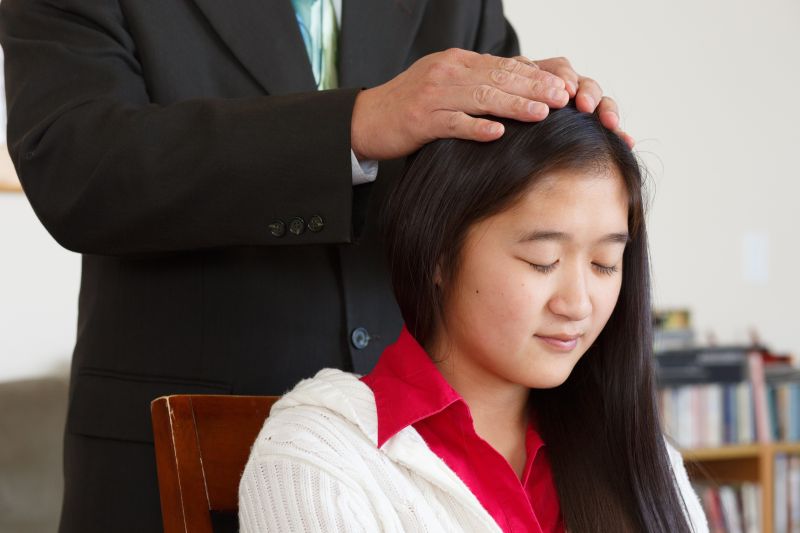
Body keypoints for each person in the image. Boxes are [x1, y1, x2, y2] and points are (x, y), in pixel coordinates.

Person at [0, 0, 631, 531]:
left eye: (606, 261)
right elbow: (75, 167)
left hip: (422, 447)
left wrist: (550, 116)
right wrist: (354, 125)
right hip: (170, 448)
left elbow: (489, 172)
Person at [238, 103, 709, 533]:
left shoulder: (642, 460)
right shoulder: (319, 455)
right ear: (439, 254)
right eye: (543, 260)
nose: (579, 303)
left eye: (605, 264)